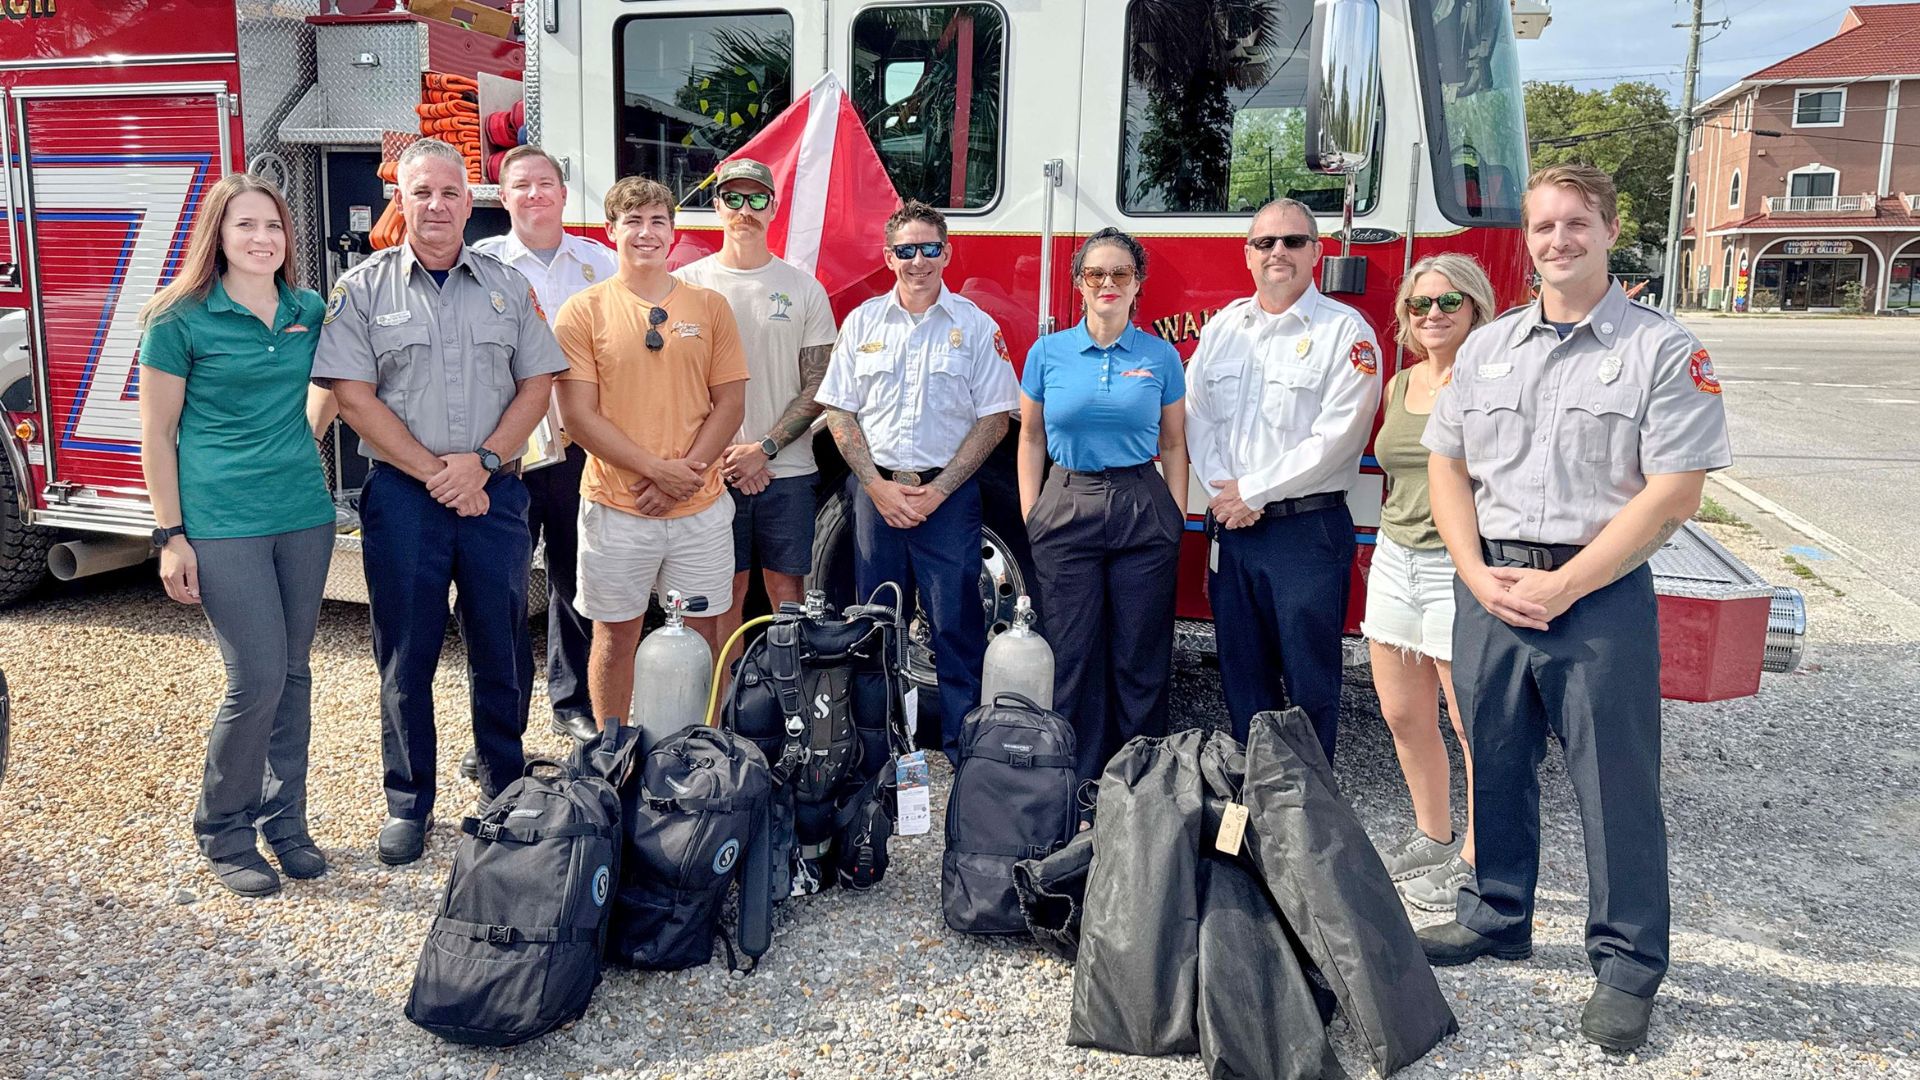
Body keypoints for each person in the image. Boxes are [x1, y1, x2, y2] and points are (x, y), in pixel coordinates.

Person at [1419, 164, 1731, 1052]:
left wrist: (1570, 582)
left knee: (1615, 785)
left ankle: (1628, 966)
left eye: (1577, 224)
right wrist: (1473, 571)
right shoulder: (1488, 347)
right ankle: (1496, 915)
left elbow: (1676, 492)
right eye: (1545, 226)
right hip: (1493, 587)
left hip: (1595, 595)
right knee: (1496, 758)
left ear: (1611, 227)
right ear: (1527, 239)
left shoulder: (1661, 349)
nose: (1559, 240)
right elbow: (1448, 463)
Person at [312, 138, 569, 867]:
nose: (436, 206)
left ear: (470, 200)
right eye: (421, 192)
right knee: (407, 654)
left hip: (496, 494)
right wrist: (435, 472)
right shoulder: (361, 289)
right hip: (405, 498)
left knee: (502, 646)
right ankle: (408, 805)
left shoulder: (504, 285)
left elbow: (538, 384)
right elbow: (353, 398)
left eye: (450, 193)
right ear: (402, 200)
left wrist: (483, 464)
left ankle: (504, 788)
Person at [137, 173, 337, 897]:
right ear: (217, 236)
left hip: (303, 516)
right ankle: (224, 829)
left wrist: (304, 433)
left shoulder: (307, 308)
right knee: (253, 678)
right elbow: (157, 434)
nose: (263, 239)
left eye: (274, 227)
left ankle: (287, 826)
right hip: (222, 523)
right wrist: (170, 535)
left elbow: (335, 382)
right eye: (246, 226)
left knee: (293, 672)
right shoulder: (179, 317)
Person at [817, 200, 1019, 757]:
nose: (918, 260)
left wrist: (939, 490)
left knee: (956, 625)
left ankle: (963, 748)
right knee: (874, 623)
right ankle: (876, 748)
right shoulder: (862, 323)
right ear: (889, 257)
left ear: (947, 253)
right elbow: (839, 412)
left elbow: (995, 418)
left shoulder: (976, 327)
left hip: (947, 499)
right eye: (905, 250)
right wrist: (876, 486)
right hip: (875, 493)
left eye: (929, 248)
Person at [1184, 198, 1382, 763]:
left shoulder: (1346, 333)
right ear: (1247, 255)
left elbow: (1337, 438)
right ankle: (1255, 792)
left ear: (1317, 253)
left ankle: (1309, 809)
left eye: (1293, 241)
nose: (1278, 252)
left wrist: (1253, 492)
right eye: (1265, 242)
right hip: (1234, 527)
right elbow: (1197, 413)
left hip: (1306, 531)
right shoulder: (1223, 328)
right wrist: (1226, 488)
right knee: (1240, 671)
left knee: (1310, 679)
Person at [553, 176, 748, 727]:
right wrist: (658, 472)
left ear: (674, 230)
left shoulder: (710, 307)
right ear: (611, 231)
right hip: (617, 509)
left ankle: (702, 754)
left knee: (707, 635)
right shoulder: (583, 312)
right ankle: (611, 752)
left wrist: (684, 475)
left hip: (701, 508)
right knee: (615, 637)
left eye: (658, 221)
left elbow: (730, 403)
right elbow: (579, 418)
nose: (646, 233)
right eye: (633, 222)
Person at [1016, 227, 1188, 783]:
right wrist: (1031, 515)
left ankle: (1139, 784)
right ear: (1079, 283)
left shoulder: (1161, 357)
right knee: (1072, 656)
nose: (1108, 283)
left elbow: (1174, 443)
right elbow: (1030, 439)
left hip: (1142, 504)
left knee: (1140, 659)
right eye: (1096, 274)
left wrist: (1175, 518)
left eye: (1120, 274)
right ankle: (1076, 784)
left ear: (1137, 284)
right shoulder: (1048, 352)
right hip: (1067, 501)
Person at [471, 144, 618, 752]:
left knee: (575, 575)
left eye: (546, 184)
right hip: (502, 447)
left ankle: (573, 701)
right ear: (502, 197)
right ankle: (498, 729)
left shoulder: (600, 263)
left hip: (579, 444)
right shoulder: (478, 262)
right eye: (521, 185)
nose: (535, 194)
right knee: (499, 587)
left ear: (564, 194)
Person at [1363, 253, 1496, 911]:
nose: (1434, 315)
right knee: (1403, 713)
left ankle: (1477, 858)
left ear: (1475, 307)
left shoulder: (1492, 380)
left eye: (1449, 302)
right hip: (1395, 556)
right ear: (1406, 318)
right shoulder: (1400, 383)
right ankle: (1433, 834)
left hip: (1457, 564)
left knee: (1472, 724)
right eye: (1420, 305)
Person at [674, 159, 837, 660]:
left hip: (786, 470)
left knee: (787, 596)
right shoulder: (685, 286)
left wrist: (762, 450)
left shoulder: (804, 288)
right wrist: (728, 456)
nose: (746, 210)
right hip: (709, 471)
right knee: (724, 597)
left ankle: (788, 716)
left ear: (774, 207)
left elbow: (819, 385)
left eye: (758, 199)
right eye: (734, 199)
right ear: (717, 205)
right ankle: (723, 720)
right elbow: (675, 386)